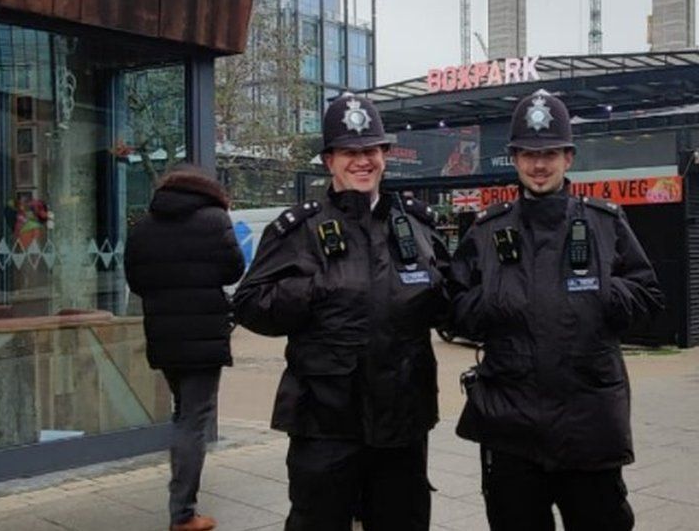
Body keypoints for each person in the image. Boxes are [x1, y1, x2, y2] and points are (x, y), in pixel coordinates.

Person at [233, 92, 449, 531]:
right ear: (329, 160)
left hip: (401, 423)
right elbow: (250, 303)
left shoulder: (416, 226)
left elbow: (452, 300)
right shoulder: (300, 229)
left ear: (385, 156)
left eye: (371, 150)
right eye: (351, 152)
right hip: (325, 423)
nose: (362, 161)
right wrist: (316, 289)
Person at [450, 89, 664, 531]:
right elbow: (452, 309)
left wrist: (604, 291)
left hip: (589, 422)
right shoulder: (488, 230)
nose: (539, 164)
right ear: (513, 158)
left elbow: (648, 299)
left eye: (549, 152)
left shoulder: (605, 223)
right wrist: (492, 299)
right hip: (511, 426)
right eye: (528, 153)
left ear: (568, 157)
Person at [125, 165, 244, 531]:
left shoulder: (142, 227)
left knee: (184, 414)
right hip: (204, 336)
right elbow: (233, 270)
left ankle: (183, 507)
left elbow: (136, 280)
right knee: (193, 420)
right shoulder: (214, 220)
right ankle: (183, 514)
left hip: (164, 335)